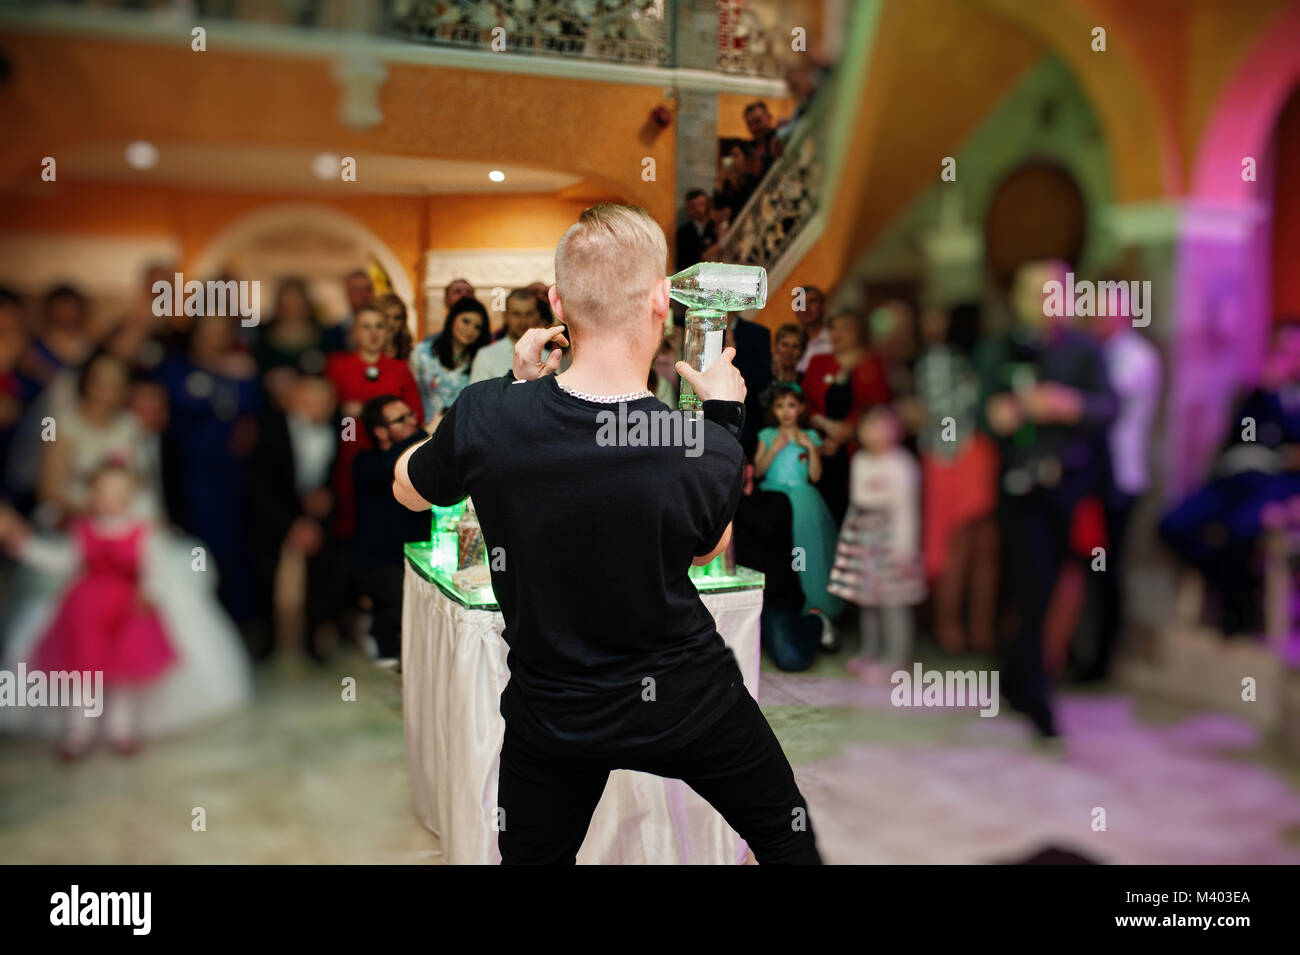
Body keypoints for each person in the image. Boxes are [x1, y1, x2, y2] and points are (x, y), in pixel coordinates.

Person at [393, 203, 821, 865]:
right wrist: (724, 413)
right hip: (688, 699)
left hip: (554, 710)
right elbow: (705, 546)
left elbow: (408, 486)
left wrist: (513, 387)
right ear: (660, 300)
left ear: (558, 303)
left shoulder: (488, 411)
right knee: (787, 837)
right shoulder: (696, 439)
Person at [976, 260, 1117, 738]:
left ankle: (1017, 679)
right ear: (1019, 299)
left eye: (1055, 292)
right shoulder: (1000, 349)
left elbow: (1108, 406)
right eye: (1037, 292)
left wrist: (1067, 403)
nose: (1046, 301)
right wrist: (1001, 413)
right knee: (1030, 586)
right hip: (1017, 486)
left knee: (1049, 585)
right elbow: (982, 411)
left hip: (1068, 488)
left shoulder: (1083, 351)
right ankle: (1036, 696)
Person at [0, 464, 177, 758]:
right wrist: (26, 548)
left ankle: (121, 728)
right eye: (104, 492)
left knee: (124, 675)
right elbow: (63, 562)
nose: (111, 499)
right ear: (92, 495)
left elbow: (153, 567)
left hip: (126, 612)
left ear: (131, 496)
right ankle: (78, 731)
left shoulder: (141, 531)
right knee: (82, 675)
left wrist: (150, 591)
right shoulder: (82, 530)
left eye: (119, 493)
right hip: (85, 612)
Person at [912, 303, 999, 653]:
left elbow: (941, 412)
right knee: (963, 548)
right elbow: (943, 412)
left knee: (975, 549)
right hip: (960, 454)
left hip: (965, 455)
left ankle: (971, 630)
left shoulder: (956, 358)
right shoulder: (942, 359)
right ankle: (959, 630)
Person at [244, 372, 339, 661]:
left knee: (322, 573)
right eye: (310, 399)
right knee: (265, 571)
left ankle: (313, 640)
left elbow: (337, 472)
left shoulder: (339, 429)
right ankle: (267, 640)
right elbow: (260, 485)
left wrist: (324, 495)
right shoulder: (270, 429)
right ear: (295, 400)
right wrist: (292, 522)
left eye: (324, 401)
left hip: (316, 508)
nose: (317, 406)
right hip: (273, 509)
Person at [829, 406, 925, 683]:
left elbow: (905, 508)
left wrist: (904, 548)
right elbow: (861, 495)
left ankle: (895, 656)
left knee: (893, 602)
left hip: (892, 539)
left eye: (883, 427)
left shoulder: (902, 464)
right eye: (870, 427)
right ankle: (871, 650)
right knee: (867, 601)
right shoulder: (860, 460)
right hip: (864, 538)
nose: (876, 433)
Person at [324, 305, 424, 541]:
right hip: (347, 452)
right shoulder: (338, 366)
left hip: (389, 459)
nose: (373, 333)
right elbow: (323, 408)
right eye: (366, 326)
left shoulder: (399, 369)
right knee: (348, 524)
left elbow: (415, 415)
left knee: (386, 524)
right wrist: (343, 410)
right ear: (354, 333)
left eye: (379, 326)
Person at [753, 382, 843, 635]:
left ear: (801, 408)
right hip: (775, 498)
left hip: (804, 501)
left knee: (808, 551)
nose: (786, 411)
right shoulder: (767, 435)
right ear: (773, 410)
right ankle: (781, 603)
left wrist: (812, 448)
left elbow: (815, 476)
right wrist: (774, 450)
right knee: (783, 551)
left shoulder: (810, 437)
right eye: (780, 406)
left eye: (791, 405)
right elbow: (758, 471)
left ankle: (814, 606)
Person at [354, 395, 429, 665]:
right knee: (399, 594)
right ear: (380, 432)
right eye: (401, 419)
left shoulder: (420, 455)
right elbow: (395, 465)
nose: (412, 421)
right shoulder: (366, 463)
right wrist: (425, 435)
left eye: (411, 414)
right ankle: (380, 638)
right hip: (378, 559)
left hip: (416, 550)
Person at [803, 309, 891, 523]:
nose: (837, 333)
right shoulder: (818, 362)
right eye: (833, 327)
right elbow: (803, 402)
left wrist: (846, 432)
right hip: (822, 448)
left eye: (845, 327)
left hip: (859, 449)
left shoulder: (872, 363)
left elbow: (878, 407)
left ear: (860, 332)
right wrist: (826, 427)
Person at [732, 462, 822, 671]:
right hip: (738, 596)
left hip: (775, 596)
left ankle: (816, 620)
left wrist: (734, 497)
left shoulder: (776, 500)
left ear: (750, 469)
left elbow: (766, 527)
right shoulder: (720, 505)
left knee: (792, 659)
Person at [409, 296, 490, 430]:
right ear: (452, 318)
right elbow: (410, 395)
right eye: (466, 321)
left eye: (477, 327)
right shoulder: (422, 353)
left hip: (461, 435)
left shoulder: (480, 361)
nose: (470, 330)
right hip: (422, 433)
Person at [470, 288, 547, 383]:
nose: (523, 320)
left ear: (537, 316)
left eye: (529, 314)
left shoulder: (548, 358)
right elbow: (477, 396)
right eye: (516, 314)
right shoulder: (486, 356)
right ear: (505, 316)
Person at [675, 188, 718, 271]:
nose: (698, 210)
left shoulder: (713, 228)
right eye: (693, 206)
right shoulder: (683, 233)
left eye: (701, 205)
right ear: (688, 209)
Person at [793, 286, 831, 375]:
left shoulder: (836, 337)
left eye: (812, 301)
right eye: (799, 304)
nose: (806, 307)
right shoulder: (793, 346)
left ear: (823, 306)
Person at [377, 293, 414, 362]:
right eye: (386, 317)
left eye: (397, 318)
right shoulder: (365, 353)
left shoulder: (409, 354)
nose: (391, 323)